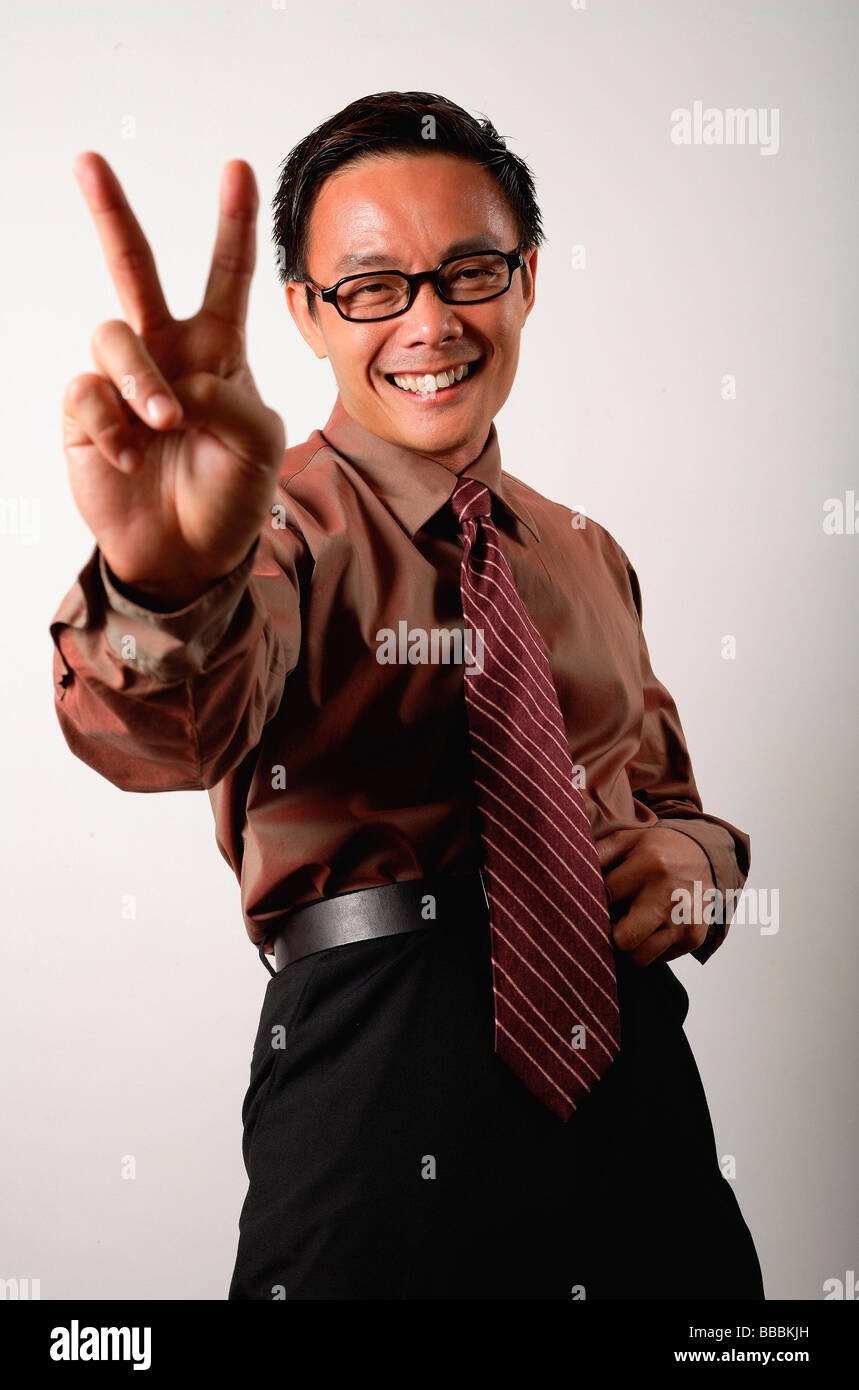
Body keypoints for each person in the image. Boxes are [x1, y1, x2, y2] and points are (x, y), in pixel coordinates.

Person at [50, 90, 764, 1301]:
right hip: (379, 1085)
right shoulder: (264, 532)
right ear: (305, 317)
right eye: (373, 287)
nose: (429, 322)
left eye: (468, 270)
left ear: (527, 280)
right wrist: (162, 577)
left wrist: (697, 862)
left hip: (635, 1088)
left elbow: (676, 803)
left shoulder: (586, 550)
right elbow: (173, 732)